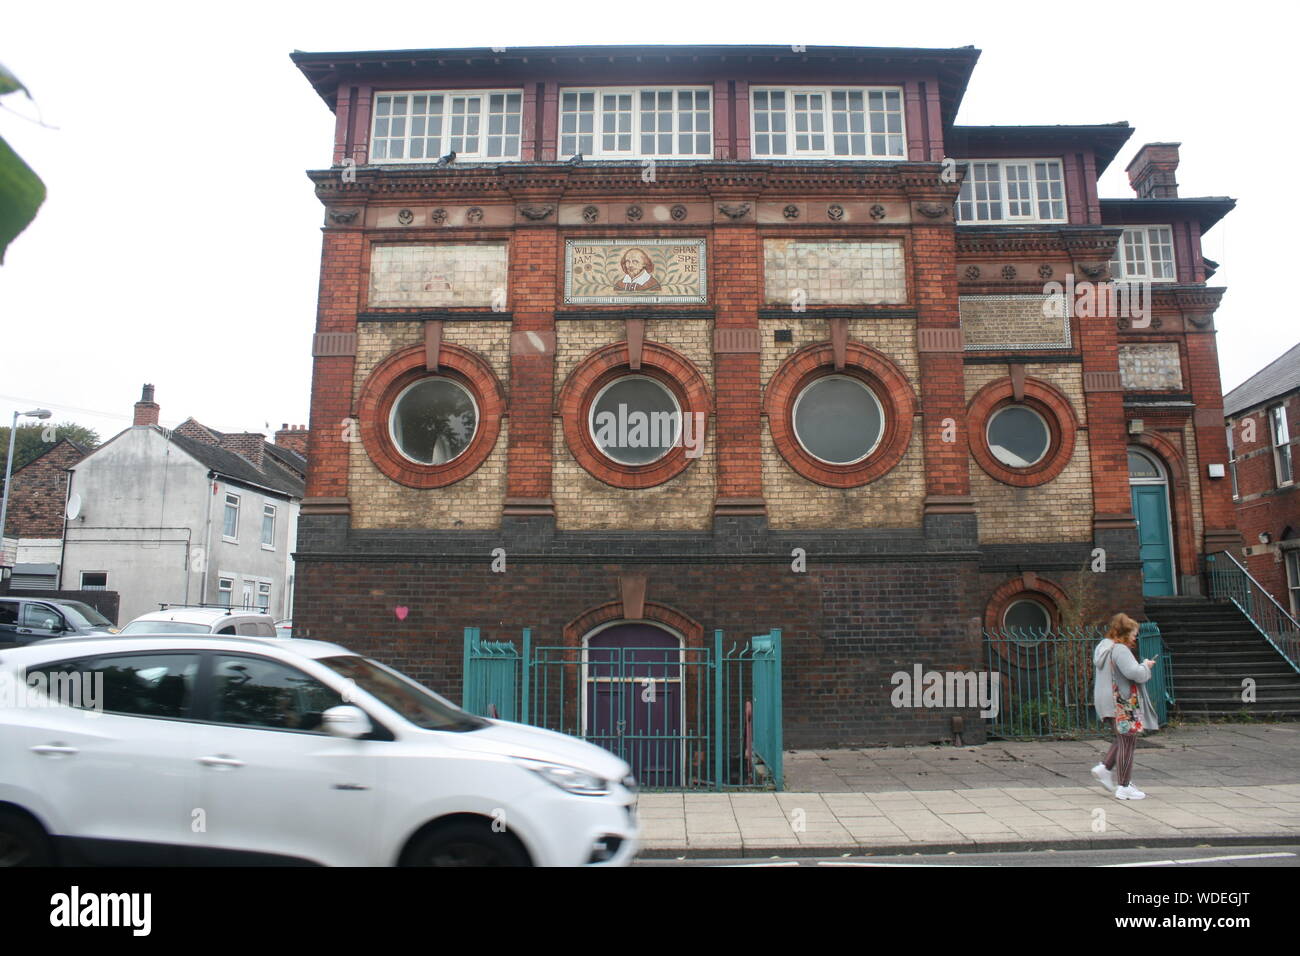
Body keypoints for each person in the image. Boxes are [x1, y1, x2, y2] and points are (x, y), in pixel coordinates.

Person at [1091, 612, 1158, 800]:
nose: (1135, 637)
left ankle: (1105, 768)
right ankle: (1124, 785)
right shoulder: (1120, 649)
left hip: (1106, 700)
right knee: (1128, 740)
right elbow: (1134, 673)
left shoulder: (1104, 647)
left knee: (1123, 737)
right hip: (1121, 702)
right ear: (1124, 633)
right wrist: (1146, 666)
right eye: (1133, 633)